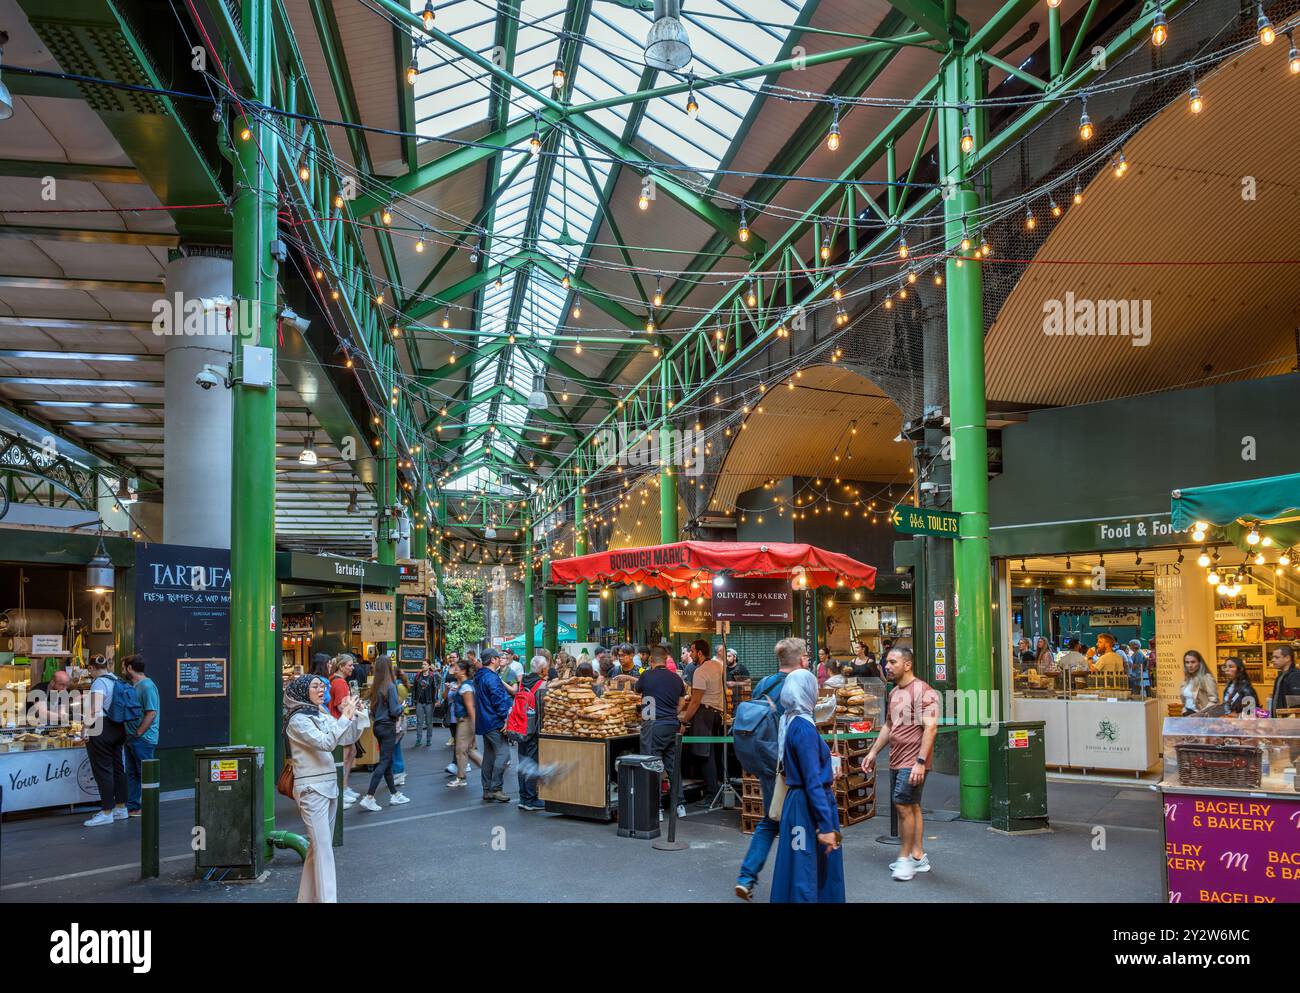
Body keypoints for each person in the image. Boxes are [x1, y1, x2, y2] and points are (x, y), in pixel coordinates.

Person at [735, 636, 807, 901]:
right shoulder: (797, 685)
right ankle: (798, 881)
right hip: (788, 764)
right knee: (791, 820)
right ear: (801, 660)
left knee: (771, 819)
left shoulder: (764, 683)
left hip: (765, 761)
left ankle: (746, 876)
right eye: (807, 656)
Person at [862, 646, 939, 881]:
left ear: (907, 664)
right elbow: (888, 726)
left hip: (912, 760)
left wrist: (920, 762)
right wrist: (873, 752)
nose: (887, 666)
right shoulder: (895, 692)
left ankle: (904, 859)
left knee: (903, 806)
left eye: (893, 662)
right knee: (912, 806)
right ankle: (918, 857)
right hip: (896, 759)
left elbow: (931, 728)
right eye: (887, 662)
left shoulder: (924, 691)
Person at [769, 667, 845, 903]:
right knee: (806, 870)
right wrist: (825, 825)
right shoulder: (803, 728)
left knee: (798, 867)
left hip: (800, 804)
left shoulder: (792, 722)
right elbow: (812, 781)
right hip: (808, 808)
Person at [283, 674, 361, 903]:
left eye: (322, 686)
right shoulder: (297, 720)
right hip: (311, 788)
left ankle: (306, 899)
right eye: (315, 686)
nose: (321, 690)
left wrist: (354, 714)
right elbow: (326, 742)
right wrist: (345, 717)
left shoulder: (321, 713)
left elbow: (346, 736)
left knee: (316, 850)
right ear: (301, 691)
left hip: (327, 785)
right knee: (324, 850)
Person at [636, 645, 686, 815]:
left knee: (652, 766)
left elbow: (638, 692)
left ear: (651, 660)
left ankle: (655, 808)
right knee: (673, 766)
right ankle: (679, 806)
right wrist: (673, 713)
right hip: (672, 725)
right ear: (666, 659)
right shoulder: (676, 678)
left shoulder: (646, 676)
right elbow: (682, 702)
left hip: (654, 726)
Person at [82, 655, 132, 826]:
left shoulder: (98, 682)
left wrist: (84, 728)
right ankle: (121, 808)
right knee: (118, 768)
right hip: (118, 727)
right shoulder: (116, 679)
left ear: (91, 668)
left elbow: (95, 708)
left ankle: (106, 811)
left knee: (103, 770)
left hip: (101, 727)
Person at [358, 656, 410, 811]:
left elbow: (372, 710)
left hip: (378, 726)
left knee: (386, 761)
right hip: (388, 727)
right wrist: (402, 706)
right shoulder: (391, 687)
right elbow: (394, 710)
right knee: (383, 763)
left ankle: (394, 794)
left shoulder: (375, 686)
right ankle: (369, 796)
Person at [679, 638, 725, 805]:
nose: (690, 655)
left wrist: (684, 720)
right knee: (713, 753)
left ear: (699, 652)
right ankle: (717, 789)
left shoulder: (700, 672)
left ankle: (711, 794)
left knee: (705, 754)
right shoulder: (718, 666)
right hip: (718, 713)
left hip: (704, 714)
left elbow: (695, 701)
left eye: (692, 651)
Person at [472, 648, 513, 803]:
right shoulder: (492, 678)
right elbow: (498, 699)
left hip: (484, 721)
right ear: (493, 660)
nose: (500, 659)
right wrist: (505, 719)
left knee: (489, 756)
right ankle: (496, 788)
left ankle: (487, 789)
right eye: (498, 657)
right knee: (504, 754)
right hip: (494, 721)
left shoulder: (479, 676)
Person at [121, 655, 159, 817]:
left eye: (123, 667)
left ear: (130, 668)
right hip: (132, 738)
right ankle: (133, 808)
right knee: (132, 773)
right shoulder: (135, 685)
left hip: (142, 739)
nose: (122, 670)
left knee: (144, 774)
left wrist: (138, 733)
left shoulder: (147, 687)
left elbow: (151, 713)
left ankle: (149, 808)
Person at [514, 656, 551, 811]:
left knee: (523, 763)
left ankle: (523, 798)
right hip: (534, 730)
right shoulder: (542, 685)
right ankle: (531, 800)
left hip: (520, 727)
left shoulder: (523, 682)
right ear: (542, 670)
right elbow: (545, 709)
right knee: (532, 763)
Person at [327, 655, 360, 807]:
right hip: (340, 723)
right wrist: (354, 707)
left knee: (351, 751)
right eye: (350, 665)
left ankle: (344, 788)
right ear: (341, 667)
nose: (352, 668)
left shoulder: (333, 678)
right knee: (344, 757)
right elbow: (341, 706)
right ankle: (340, 792)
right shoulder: (340, 682)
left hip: (336, 722)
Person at [446, 658, 479, 788]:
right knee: (467, 750)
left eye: (457, 669)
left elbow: (471, 708)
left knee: (461, 750)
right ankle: (490, 769)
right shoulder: (464, 684)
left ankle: (461, 778)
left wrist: (475, 725)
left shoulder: (466, 687)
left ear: (463, 671)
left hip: (465, 721)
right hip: (464, 720)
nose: (454, 671)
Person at [1179, 650, 1218, 716]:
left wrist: (1200, 714)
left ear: (1200, 663)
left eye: (1193, 662)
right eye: (1187, 662)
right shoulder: (1187, 680)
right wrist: (1184, 709)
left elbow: (1213, 701)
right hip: (1188, 715)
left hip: (1202, 717)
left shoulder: (1206, 677)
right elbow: (1187, 699)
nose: (1190, 665)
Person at [1267, 644, 1300, 715]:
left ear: (1287, 658)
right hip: (1280, 721)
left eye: (1276, 657)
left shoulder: (1295, 675)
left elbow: (1297, 703)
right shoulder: (1281, 676)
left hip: (1289, 723)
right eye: (1273, 657)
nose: (1272, 660)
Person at [412, 661, 438, 746]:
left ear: (429, 666)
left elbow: (435, 688)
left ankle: (428, 739)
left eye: (425, 664)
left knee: (429, 721)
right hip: (419, 701)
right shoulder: (418, 676)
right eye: (422, 664)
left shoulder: (432, 676)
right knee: (419, 722)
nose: (423, 666)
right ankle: (418, 739)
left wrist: (435, 700)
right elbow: (414, 689)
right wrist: (414, 700)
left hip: (429, 702)